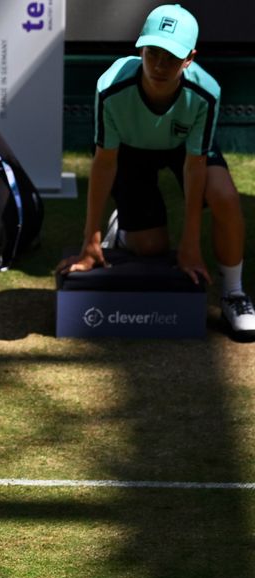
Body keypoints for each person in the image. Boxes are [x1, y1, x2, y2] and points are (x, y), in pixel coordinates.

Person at [57, 4, 248, 338]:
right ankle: (123, 227)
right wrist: (91, 240)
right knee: (150, 248)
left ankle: (234, 293)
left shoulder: (206, 92)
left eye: (171, 57)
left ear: (189, 58)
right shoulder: (111, 87)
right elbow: (104, 164)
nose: (159, 65)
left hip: (183, 148)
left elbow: (195, 166)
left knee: (224, 196)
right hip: (130, 150)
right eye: (153, 52)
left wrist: (190, 243)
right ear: (140, 48)